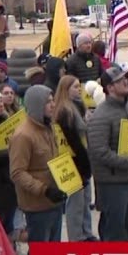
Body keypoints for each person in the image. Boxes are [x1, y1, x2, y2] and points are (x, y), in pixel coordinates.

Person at [9, 85, 67, 255]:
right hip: (37, 205)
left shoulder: (48, 128)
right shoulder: (23, 135)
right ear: (36, 105)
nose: (53, 104)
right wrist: (44, 189)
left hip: (55, 202)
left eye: (52, 100)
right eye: (48, 102)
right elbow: (17, 173)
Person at [87, 67, 128, 241]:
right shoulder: (101, 116)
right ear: (110, 88)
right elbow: (99, 152)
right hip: (113, 184)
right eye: (120, 81)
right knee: (114, 231)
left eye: (125, 78)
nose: (126, 82)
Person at [53, 76, 96, 241]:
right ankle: (76, 237)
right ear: (65, 90)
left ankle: (86, 232)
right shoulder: (64, 111)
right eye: (75, 87)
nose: (79, 90)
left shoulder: (79, 105)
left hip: (82, 155)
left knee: (85, 200)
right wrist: (84, 162)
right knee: (75, 204)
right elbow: (72, 140)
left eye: (79, 87)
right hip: (72, 159)